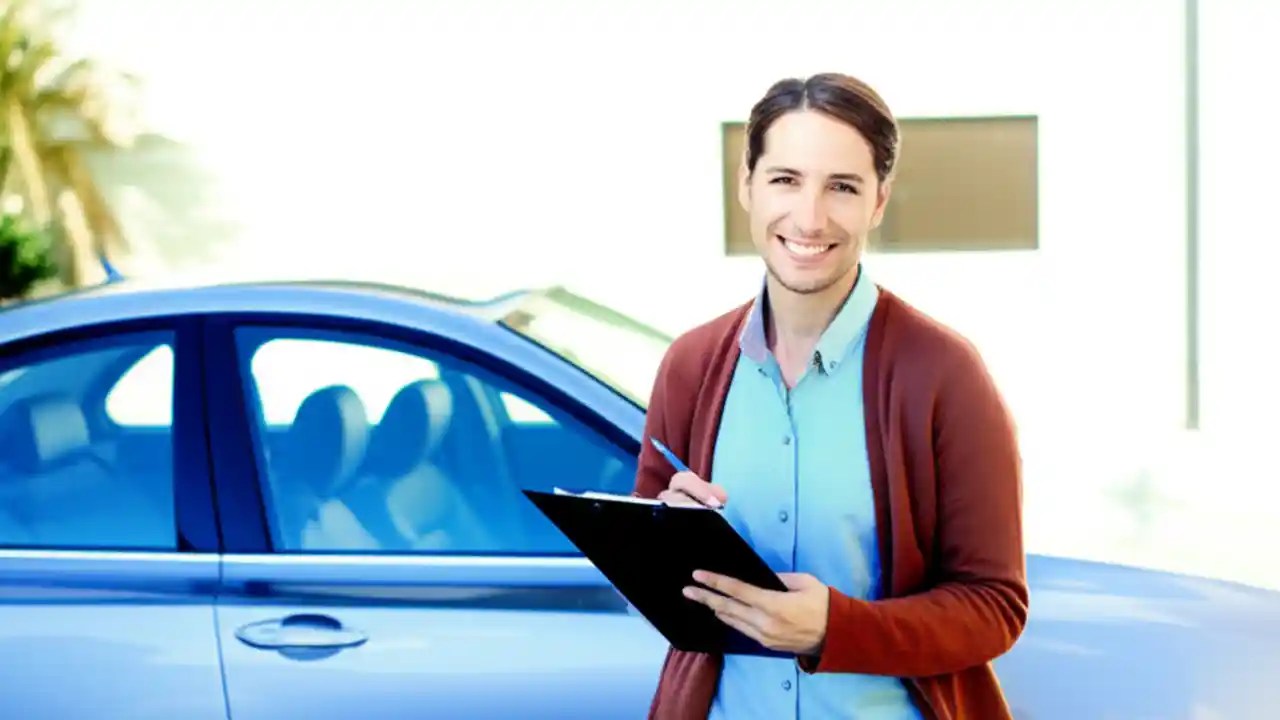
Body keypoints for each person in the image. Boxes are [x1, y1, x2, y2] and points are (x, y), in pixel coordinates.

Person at [631, 73, 1027, 720]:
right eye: (786, 180)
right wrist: (667, 541)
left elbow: (994, 606)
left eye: (842, 187)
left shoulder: (945, 374)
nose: (810, 218)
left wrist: (834, 629)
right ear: (747, 185)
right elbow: (646, 589)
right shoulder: (691, 366)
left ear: (879, 201)